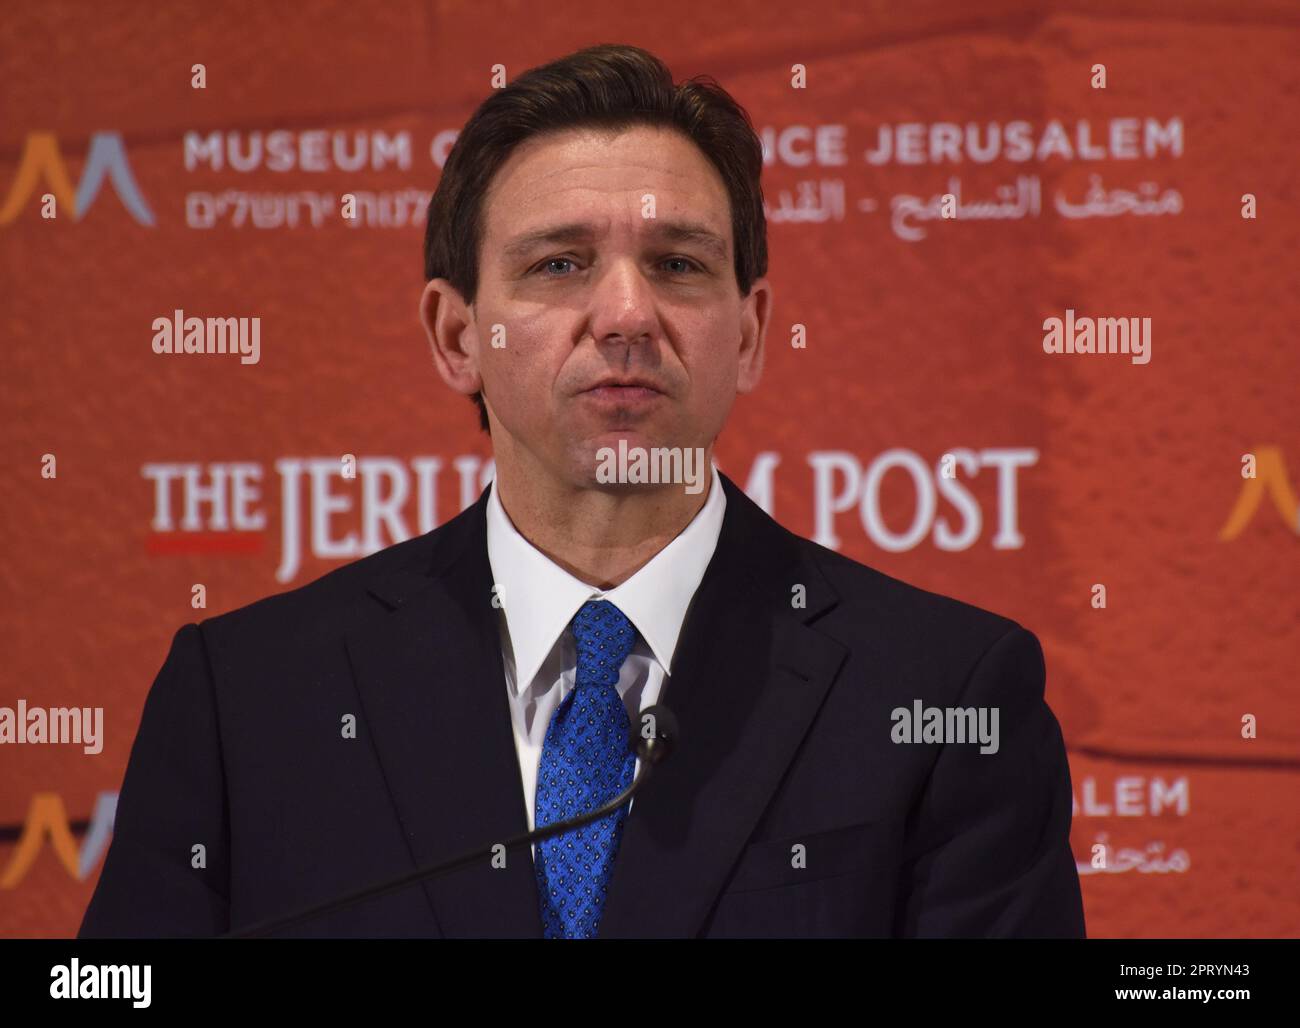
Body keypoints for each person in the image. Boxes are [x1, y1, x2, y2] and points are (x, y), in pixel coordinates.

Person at [79, 43, 1085, 938]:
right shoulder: (249, 697)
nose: (625, 313)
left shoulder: (945, 691)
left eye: (677, 263)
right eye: (560, 262)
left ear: (748, 332)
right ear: (456, 334)